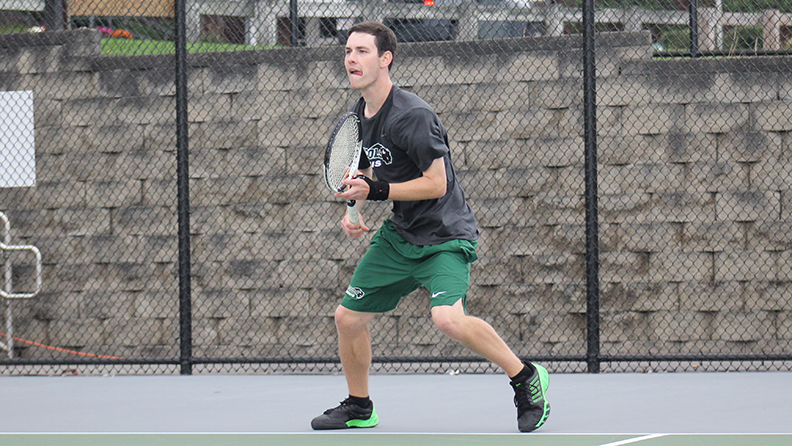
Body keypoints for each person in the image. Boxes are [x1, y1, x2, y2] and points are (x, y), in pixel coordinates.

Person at [310, 21, 550, 433]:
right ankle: (360, 405)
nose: (351, 58)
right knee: (347, 319)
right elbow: (363, 167)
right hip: (400, 236)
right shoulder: (359, 114)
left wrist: (376, 191)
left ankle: (525, 376)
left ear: (385, 59)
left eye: (362, 51)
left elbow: (436, 183)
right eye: (348, 51)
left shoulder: (413, 115)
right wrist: (354, 209)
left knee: (448, 319)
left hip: (444, 235)